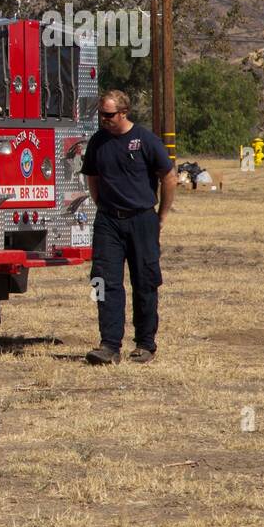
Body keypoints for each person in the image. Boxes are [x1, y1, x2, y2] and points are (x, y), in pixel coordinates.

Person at [80, 89, 176, 364]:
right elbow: (93, 177)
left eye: (109, 115)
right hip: (108, 221)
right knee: (103, 281)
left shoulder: (145, 140)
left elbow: (168, 176)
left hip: (142, 219)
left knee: (145, 281)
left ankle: (145, 344)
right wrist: (101, 204)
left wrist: (161, 216)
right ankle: (109, 346)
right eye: (101, 114)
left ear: (124, 113)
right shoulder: (98, 142)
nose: (104, 119)